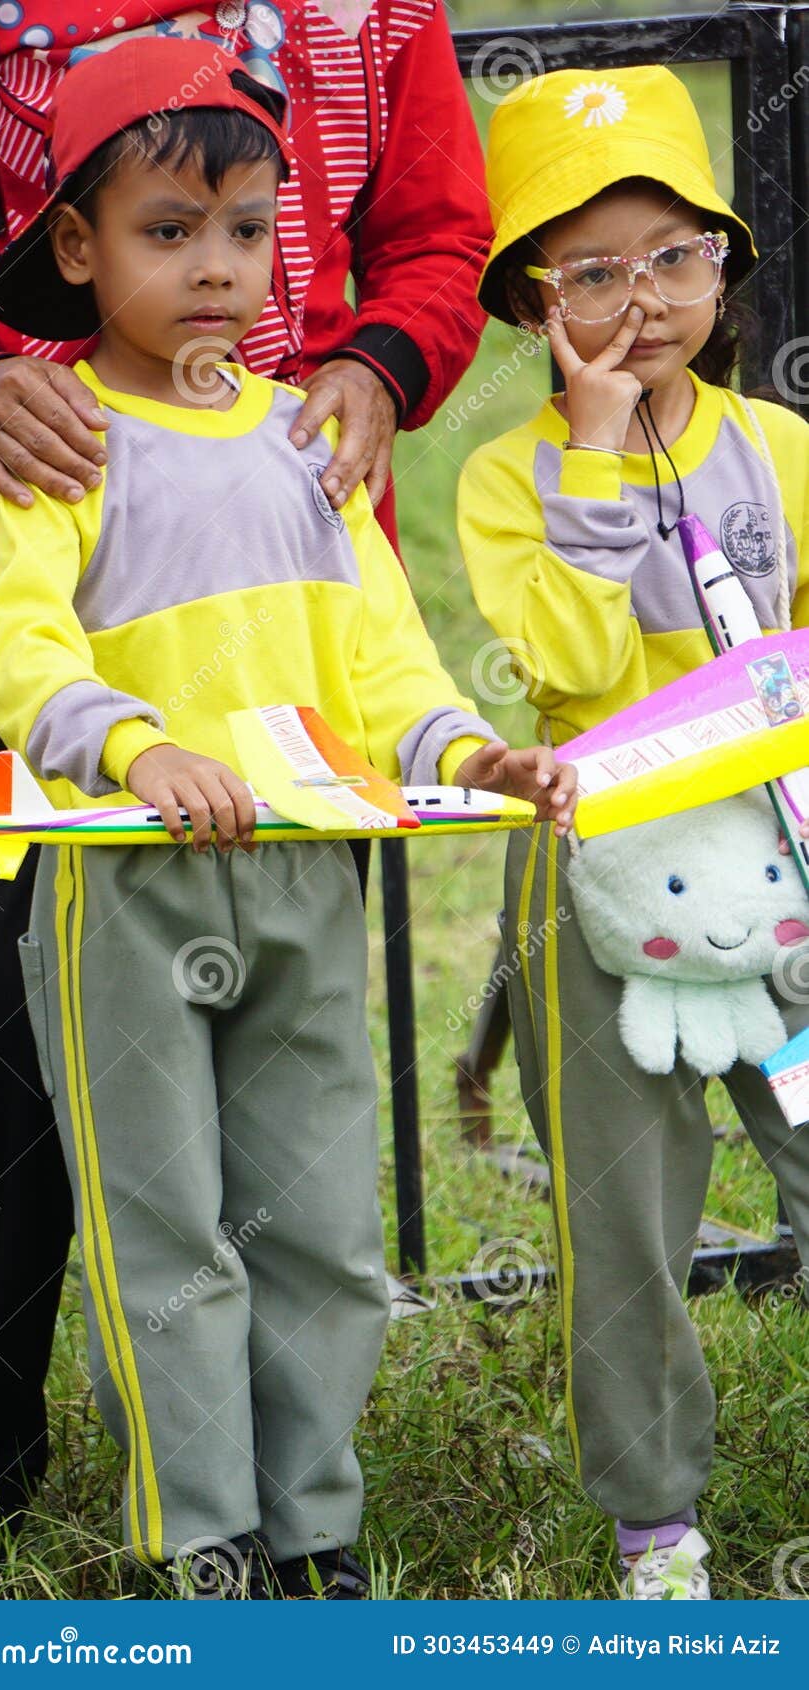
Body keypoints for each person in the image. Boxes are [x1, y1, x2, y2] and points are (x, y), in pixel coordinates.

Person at [0, 40, 577, 1597]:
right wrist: (133, 747)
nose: (218, 268)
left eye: (248, 229)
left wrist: (460, 745)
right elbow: (23, 650)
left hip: (309, 881)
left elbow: (382, 655)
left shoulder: (311, 440)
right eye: (167, 231)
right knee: (163, 1222)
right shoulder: (64, 444)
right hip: (132, 894)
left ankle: (311, 1523)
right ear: (78, 247)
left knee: (316, 1215)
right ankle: (202, 1536)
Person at [458, 65, 809, 1600]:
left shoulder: (781, 446)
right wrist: (594, 456)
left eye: (674, 256)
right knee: (623, 1209)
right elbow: (576, 669)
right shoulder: (502, 476)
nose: (641, 299)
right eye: (588, 270)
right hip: (599, 871)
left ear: (723, 263)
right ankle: (654, 1519)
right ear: (530, 300)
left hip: (781, 853)